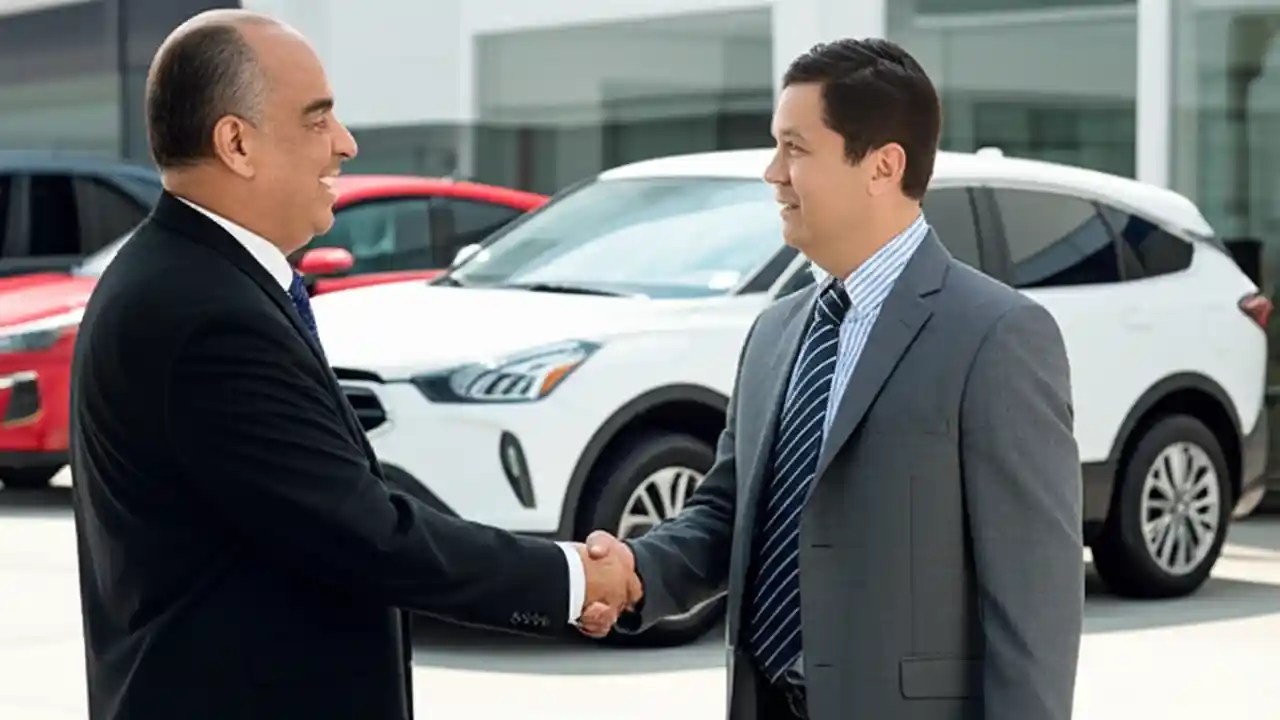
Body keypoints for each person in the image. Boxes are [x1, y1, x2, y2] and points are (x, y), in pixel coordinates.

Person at [68, 10, 637, 720]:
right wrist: (570, 580)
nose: (345, 144)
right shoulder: (202, 313)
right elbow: (362, 533)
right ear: (236, 142)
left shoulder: (195, 279)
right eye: (318, 119)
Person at [580, 38, 1083, 719]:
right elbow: (726, 517)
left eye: (795, 148)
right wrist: (635, 574)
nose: (771, 173)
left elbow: (1034, 599)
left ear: (882, 166)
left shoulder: (997, 336)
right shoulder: (774, 333)